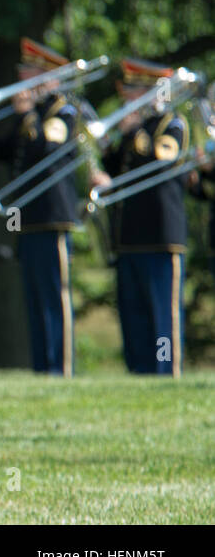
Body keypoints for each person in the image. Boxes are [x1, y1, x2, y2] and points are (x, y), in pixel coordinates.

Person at [0, 38, 79, 376]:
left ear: (49, 76)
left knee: (53, 297)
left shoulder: (63, 110)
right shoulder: (32, 115)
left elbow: (46, 151)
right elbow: (12, 152)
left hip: (52, 217)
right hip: (29, 218)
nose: (24, 80)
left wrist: (27, 116)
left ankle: (58, 367)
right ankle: (40, 367)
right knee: (33, 299)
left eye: (31, 73)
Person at [92, 58, 189, 376]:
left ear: (150, 92)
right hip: (130, 237)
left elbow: (161, 165)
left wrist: (134, 133)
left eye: (133, 91)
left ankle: (164, 370)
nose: (127, 98)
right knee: (133, 312)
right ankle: (139, 369)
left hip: (161, 236)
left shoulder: (173, 125)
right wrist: (107, 152)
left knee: (161, 313)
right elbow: (120, 169)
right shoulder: (133, 131)